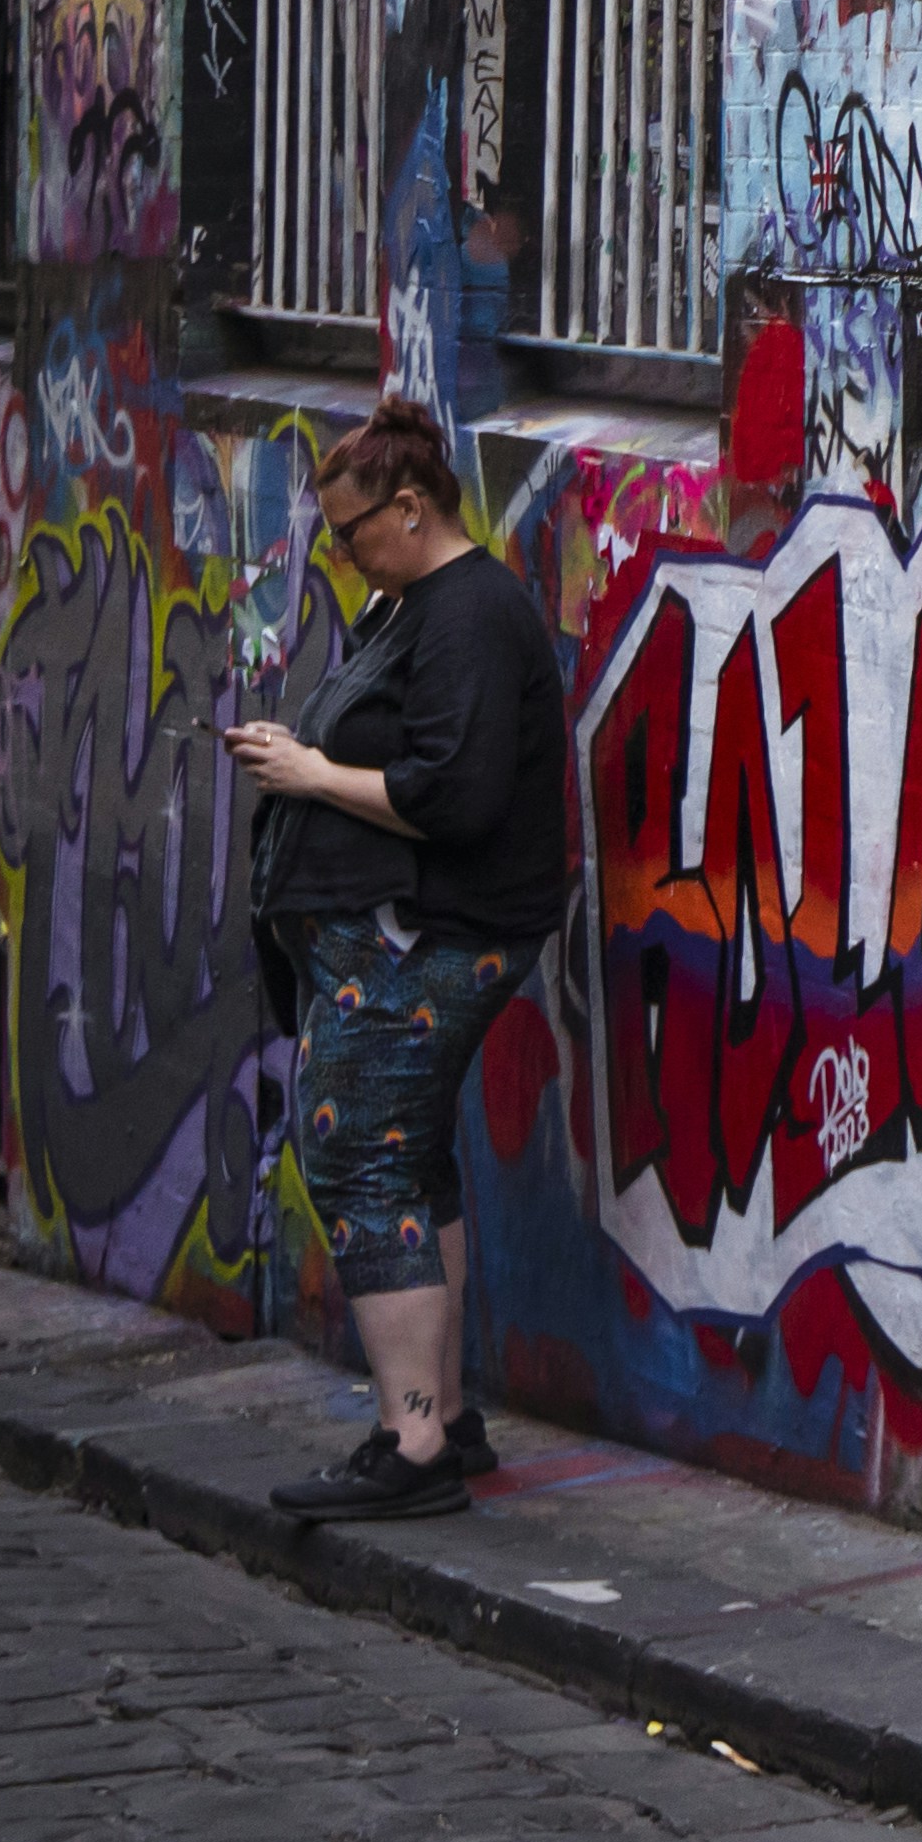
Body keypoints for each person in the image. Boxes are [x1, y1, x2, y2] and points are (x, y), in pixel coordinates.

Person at [219, 402, 573, 1523]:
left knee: (359, 1154)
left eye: (350, 531)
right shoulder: (419, 602)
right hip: (405, 931)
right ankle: (445, 1419)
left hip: (430, 933)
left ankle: (410, 1437)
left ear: (411, 509)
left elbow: (455, 797)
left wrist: (310, 773)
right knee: (408, 1161)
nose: (339, 553)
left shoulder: (466, 614)